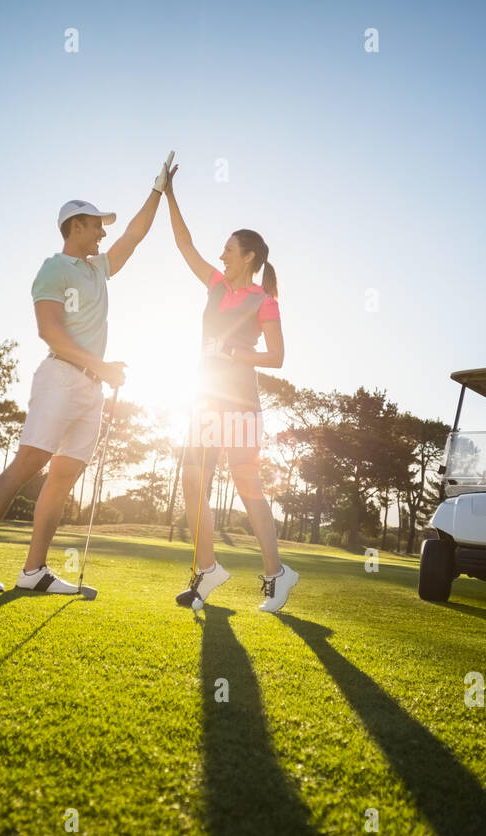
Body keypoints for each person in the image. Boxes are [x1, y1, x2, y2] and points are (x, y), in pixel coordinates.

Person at [0, 158, 171, 593]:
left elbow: (134, 234)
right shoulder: (53, 268)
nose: (103, 233)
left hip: (91, 388)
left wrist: (157, 191)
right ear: (75, 227)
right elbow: (47, 329)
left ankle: (33, 571)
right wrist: (101, 366)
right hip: (60, 378)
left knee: (65, 474)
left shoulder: (98, 269)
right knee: (30, 461)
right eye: (95, 226)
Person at [162, 163, 298, 613]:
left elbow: (276, 356)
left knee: (244, 481)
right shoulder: (216, 285)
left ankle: (277, 574)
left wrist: (235, 354)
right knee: (192, 478)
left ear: (248, 258)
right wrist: (168, 194)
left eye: (228, 251)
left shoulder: (265, 300)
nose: (221, 257)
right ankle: (208, 570)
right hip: (206, 398)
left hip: (239, 401)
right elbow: (185, 244)